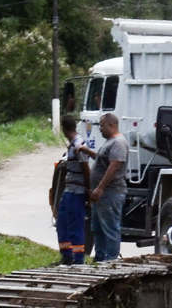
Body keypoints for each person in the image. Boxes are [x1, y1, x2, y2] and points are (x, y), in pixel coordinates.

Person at [88, 111, 129, 262]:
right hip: (102, 195)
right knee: (98, 228)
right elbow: (103, 160)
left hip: (111, 193)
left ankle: (111, 260)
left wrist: (100, 188)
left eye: (102, 125)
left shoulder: (118, 142)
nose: (100, 129)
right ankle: (100, 258)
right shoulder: (109, 142)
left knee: (110, 228)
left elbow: (114, 166)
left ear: (111, 125)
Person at [51, 114, 91, 264]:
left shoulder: (79, 145)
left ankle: (78, 260)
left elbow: (86, 169)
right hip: (69, 190)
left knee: (75, 226)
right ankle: (66, 256)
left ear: (64, 129)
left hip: (77, 192)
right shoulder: (73, 144)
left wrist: (88, 190)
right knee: (62, 223)